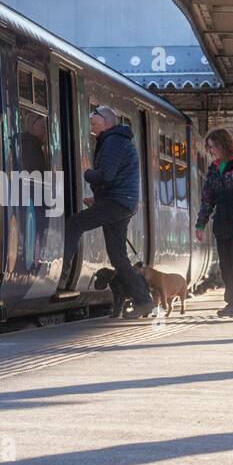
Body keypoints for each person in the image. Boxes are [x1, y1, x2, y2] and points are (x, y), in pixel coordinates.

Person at [60, 105, 156, 318]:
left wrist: (86, 173)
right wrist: (97, 199)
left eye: (94, 122)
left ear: (107, 122)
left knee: (75, 223)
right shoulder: (117, 141)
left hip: (117, 203)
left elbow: (106, 176)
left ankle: (61, 275)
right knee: (118, 257)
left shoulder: (112, 142)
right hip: (119, 202)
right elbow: (116, 177)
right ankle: (143, 301)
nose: (91, 126)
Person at [195, 128, 233, 318]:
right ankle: (232, 301)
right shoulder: (214, 168)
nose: (211, 150)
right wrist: (200, 223)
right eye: (209, 147)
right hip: (222, 223)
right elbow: (208, 198)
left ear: (224, 144)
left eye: (213, 146)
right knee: (226, 265)